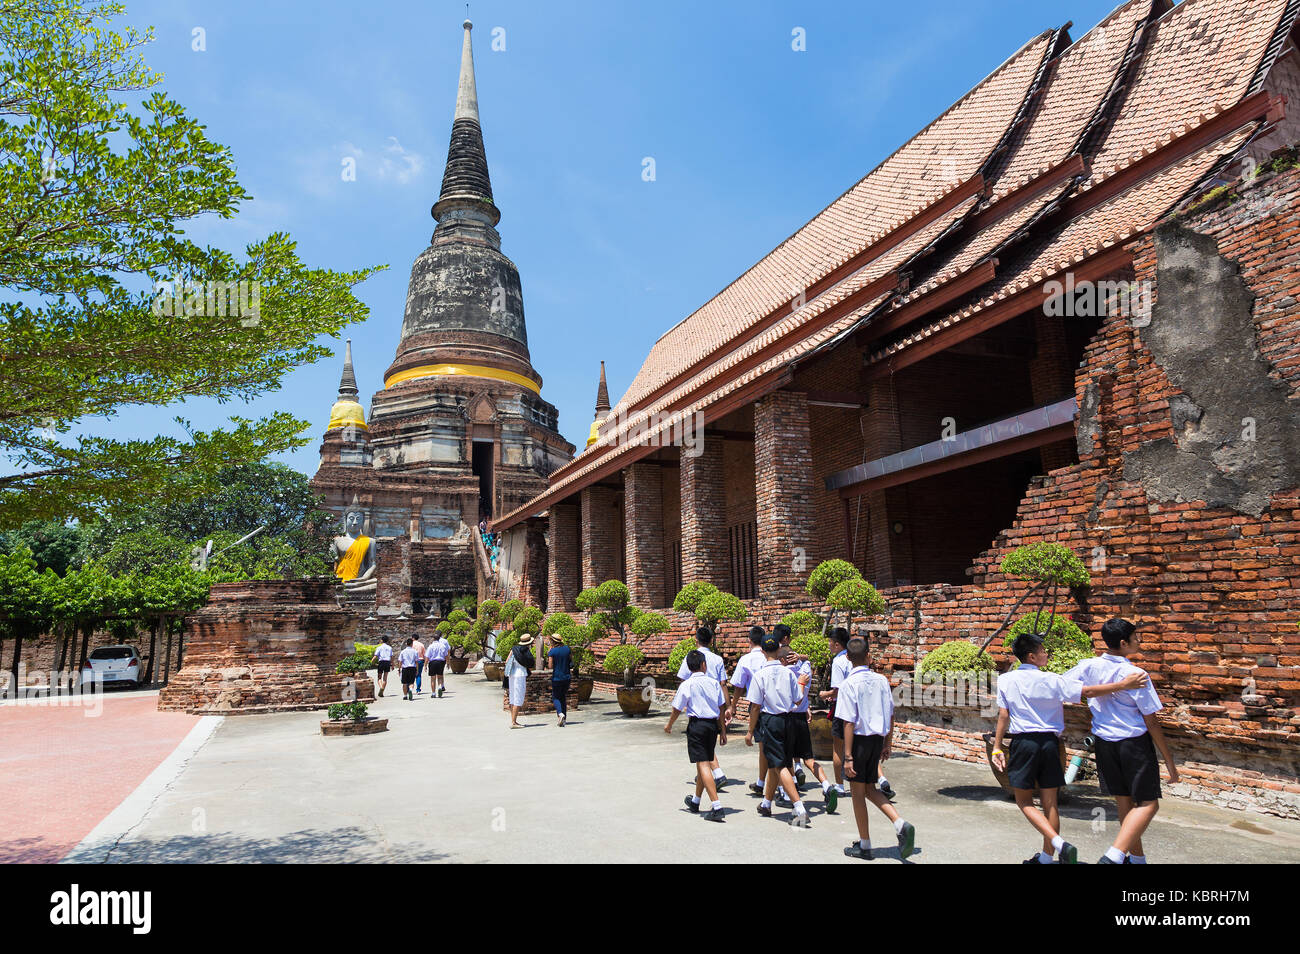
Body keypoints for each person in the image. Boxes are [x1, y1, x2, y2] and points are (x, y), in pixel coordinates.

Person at [991, 632, 1150, 864]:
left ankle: (1058, 844)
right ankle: (1046, 858)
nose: (1046, 653)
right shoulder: (1054, 680)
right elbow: (1088, 692)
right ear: (1032, 656)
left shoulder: (1006, 680)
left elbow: (1003, 716)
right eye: (1043, 651)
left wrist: (997, 747)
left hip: (1024, 743)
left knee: (1024, 801)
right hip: (1050, 744)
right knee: (1050, 803)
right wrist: (1123, 685)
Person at [1063, 618, 1178, 864]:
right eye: (1136, 637)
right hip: (1133, 744)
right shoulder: (1135, 674)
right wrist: (1170, 762)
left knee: (1125, 803)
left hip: (1104, 743)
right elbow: (1152, 721)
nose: (1139, 640)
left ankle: (1136, 860)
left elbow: (1063, 688)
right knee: (1148, 805)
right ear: (1123, 642)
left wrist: (1104, 688)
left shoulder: (1088, 666)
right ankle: (1113, 857)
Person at [837, 636, 914, 860]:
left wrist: (848, 756)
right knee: (870, 788)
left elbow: (848, 722)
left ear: (848, 658)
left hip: (858, 743)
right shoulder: (881, 680)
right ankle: (900, 823)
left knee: (857, 795)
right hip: (876, 740)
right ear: (869, 656)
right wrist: (887, 743)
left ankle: (865, 844)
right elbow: (890, 714)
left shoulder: (848, 684)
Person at [745, 633, 809, 827]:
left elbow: (755, 706)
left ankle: (799, 808)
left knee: (779, 765)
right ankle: (766, 803)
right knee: (777, 762)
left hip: (771, 720)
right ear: (777, 651)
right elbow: (798, 699)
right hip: (788, 720)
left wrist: (749, 731)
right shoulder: (788, 672)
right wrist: (801, 683)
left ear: (763, 651)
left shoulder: (760, 675)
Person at [665, 650, 729, 822]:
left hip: (697, 726)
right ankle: (695, 801)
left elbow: (677, 708)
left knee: (703, 764)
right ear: (703, 665)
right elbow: (721, 707)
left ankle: (717, 806)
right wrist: (722, 730)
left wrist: (669, 724)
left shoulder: (687, 685)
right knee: (704, 761)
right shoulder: (714, 683)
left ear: (688, 667)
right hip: (711, 726)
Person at [780, 646, 837, 813]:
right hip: (802, 719)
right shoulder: (805, 670)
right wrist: (801, 656)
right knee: (809, 759)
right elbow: (807, 659)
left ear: (782, 660)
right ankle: (826, 785)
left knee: (786, 759)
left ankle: (790, 790)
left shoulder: (784, 674)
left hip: (788, 718)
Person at [676, 626, 729, 787]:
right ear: (712, 640)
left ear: (696, 640)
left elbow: (684, 679)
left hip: (699, 704)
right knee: (708, 743)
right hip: (715, 703)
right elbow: (723, 684)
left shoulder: (691, 657)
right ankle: (707, 779)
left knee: (702, 745)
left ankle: (717, 775)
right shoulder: (718, 659)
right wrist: (728, 706)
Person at [727, 626, 769, 796]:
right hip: (776, 706)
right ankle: (769, 783)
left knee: (764, 747)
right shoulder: (771, 656)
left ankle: (766, 783)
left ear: (749, 641)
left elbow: (738, 686)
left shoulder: (746, 660)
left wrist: (733, 705)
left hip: (757, 706)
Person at [817, 628, 851, 797]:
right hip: (858, 706)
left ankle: (839, 785)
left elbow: (837, 690)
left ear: (837, 644)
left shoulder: (838, 661)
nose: (829, 645)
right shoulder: (856, 657)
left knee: (838, 748)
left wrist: (825, 694)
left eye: (830, 642)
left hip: (842, 707)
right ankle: (880, 780)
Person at [505, 634, 536, 728]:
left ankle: (513, 720)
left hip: (511, 674)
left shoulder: (514, 649)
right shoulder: (526, 651)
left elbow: (507, 661)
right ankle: (514, 722)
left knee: (513, 697)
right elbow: (531, 663)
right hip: (520, 674)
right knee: (518, 697)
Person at [546, 632, 573, 727]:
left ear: (553, 641)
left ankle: (560, 713)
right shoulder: (567, 649)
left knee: (556, 697)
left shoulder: (552, 651)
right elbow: (570, 662)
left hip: (557, 677)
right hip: (567, 677)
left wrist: (549, 654)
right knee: (563, 697)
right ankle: (563, 719)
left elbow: (550, 666)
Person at [425, 630, 450, 699]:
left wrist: (425, 665)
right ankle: (439, 687)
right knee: (440, 676)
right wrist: (448, 663)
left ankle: (433, 693)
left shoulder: (431, 646)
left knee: (433, 678)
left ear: (433, 639)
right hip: (441, 662)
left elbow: (427, 656)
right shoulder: (443, 646)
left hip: (432, 662)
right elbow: (446, 655)